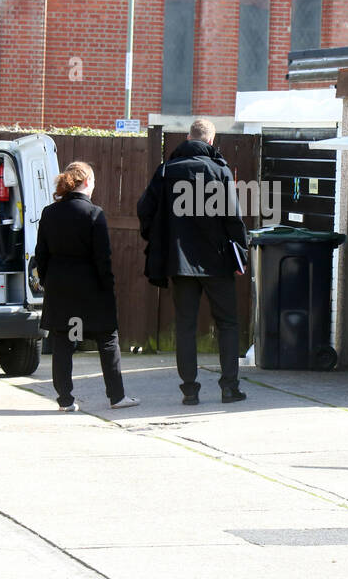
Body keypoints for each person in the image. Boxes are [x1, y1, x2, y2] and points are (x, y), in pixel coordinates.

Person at [138, 118, 247, 406]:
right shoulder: (220, 171)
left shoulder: (166, 171)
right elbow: (233, 219)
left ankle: (189, 390)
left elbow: (144, 210)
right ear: (211, 141)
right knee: (227, 324)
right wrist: (241, 255)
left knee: (185, 326)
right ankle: (229, 388)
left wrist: (160, 239)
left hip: (179, 262)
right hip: (217, 262)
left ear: (188, 138)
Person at [34, 161, 139, 412]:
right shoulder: (94, 214)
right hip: (91, 288)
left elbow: (41, 254)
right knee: (107, 340)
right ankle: (116, 397)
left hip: (61, 288)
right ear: (87, 182)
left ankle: (65, 401)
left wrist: (49, 282)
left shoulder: (49, 212)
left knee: (64, 343)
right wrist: (107, 287)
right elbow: (102, 258)